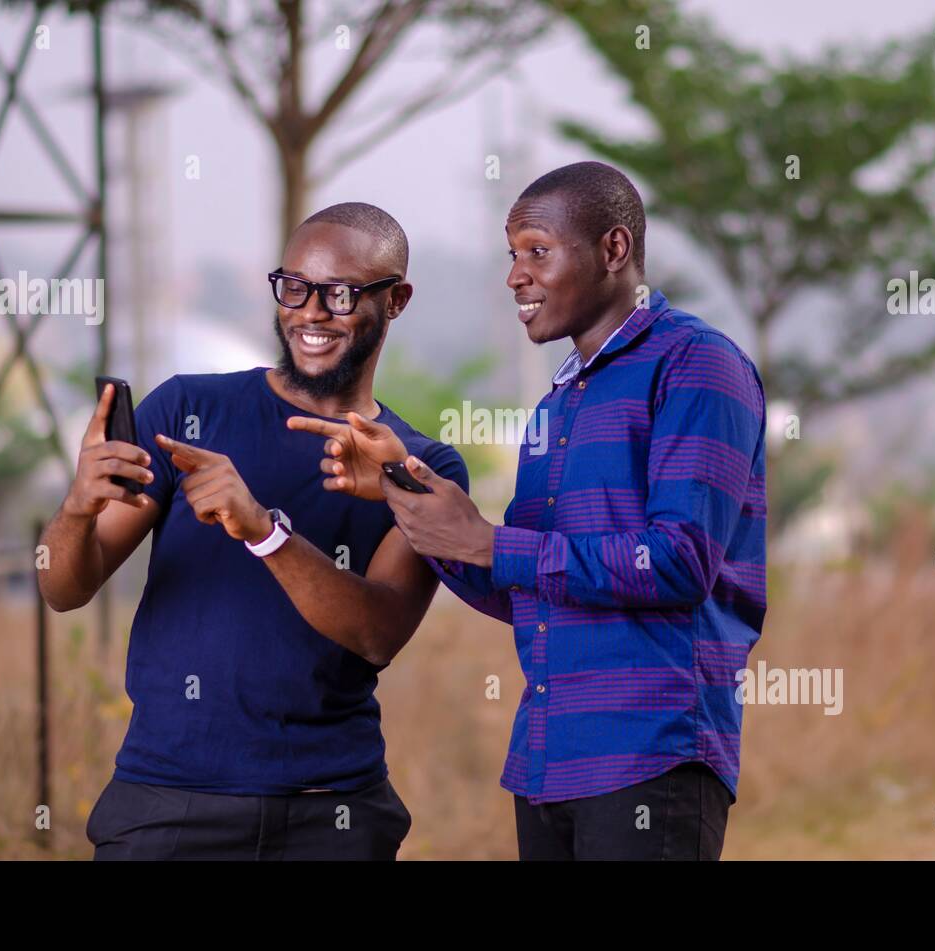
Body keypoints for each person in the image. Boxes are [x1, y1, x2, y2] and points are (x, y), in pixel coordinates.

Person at [310, 163, 767, 860]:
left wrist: (493, 543)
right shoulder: (556, 405)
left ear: (614, 250)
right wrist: (402, 490)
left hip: (653, 753)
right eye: (511, 254)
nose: (515, 276)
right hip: (546, 762)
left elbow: (680, 562)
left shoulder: (697, 366)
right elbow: (526, 588)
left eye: (537, 251)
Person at [36, 202, 467, 860]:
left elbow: (378, 633)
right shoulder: (187, 408)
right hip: (168, 801)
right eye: (294, 286)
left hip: (333, 813)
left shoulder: (419, 466)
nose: (310, 312)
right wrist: (75, 509)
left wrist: (263, 531)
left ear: (397, 299)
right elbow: (64, 587)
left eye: (340, 293)